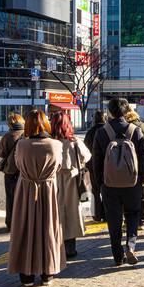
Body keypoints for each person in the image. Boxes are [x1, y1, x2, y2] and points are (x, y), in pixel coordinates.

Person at [9, 110, 65, 287]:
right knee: (48, 227)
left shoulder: (22, 145)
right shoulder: (55, 145)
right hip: (48, 189)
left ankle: (26, 274)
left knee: (25, 227)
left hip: (26, 189)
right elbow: (59, 167)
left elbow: (18, 165)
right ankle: (47, 271)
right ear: (45, 123)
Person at [92, 98, 144, 266]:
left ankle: (117, 256)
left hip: (109, 184)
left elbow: (97, 161)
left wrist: (100, 183)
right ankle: (130, 246)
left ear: (110, 112)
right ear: (126, 112)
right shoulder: (136, 131)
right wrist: (141, 181)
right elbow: (142, 158)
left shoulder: (102, 132)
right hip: (132, 183)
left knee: (114, 219)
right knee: (133, 214)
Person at [50, 108, 91, 260]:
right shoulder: (75, 142)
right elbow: (87, 157)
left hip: (53, 182)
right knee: (72, 214)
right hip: (73, 182)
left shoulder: (50, 143)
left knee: (55, 214)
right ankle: (70, 249)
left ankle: (55, 246)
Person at [124, 108, 144, 230]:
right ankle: (143, 221)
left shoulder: (126, 128)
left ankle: (129, 222)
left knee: (127, 194)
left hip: (127, 165)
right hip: (142, 164)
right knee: (143, 194)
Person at [0, 111, 25, 232]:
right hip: (24, 171)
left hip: (10, 172)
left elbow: (0, 152)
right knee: (24, 198)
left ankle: (11, 223)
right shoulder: (27, 134)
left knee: (11, 198)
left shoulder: (8, 136)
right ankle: (24, 222)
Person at [83, 110, 108, 223]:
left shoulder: (90, 132)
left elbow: (85, 149)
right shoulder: (108, 130)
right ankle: (107, 213)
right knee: (106, 189)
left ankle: (97, 214)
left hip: (93, 165)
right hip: (107, 165)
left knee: (95, 190)